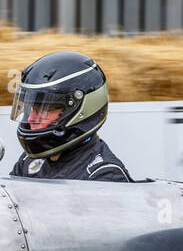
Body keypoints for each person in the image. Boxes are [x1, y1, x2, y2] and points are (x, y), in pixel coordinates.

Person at [9, 50, 131, 181]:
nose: (31, 118)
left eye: (44, 111)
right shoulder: (29, 160)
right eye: (32, 108)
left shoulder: (104, 175)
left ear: (81, 111)